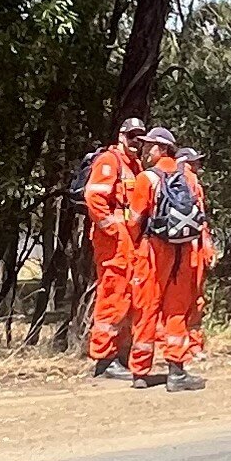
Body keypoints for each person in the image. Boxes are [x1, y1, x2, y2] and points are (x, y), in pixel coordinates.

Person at [80, 116, 151, 378]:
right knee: (113, 297)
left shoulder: (136, 166)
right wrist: (114, 230)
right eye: (132, 136)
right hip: (113, 244)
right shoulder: (110, 162)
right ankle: (104, 359)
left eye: (140, 138)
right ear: (121, 136)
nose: (136, 142)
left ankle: (121, 354)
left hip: (129, 242)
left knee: (129, 298)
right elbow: (94, 197)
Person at [139, 136, 211, 388]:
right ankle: (176, 369)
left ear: (163, 149)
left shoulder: (146, 178)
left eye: (150, 146)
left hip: (154, 250)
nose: (146, 149)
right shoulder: (189, 178)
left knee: (148, 306)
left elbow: (135, 217)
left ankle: (140, 370)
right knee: (177, 310)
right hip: (184, 250)